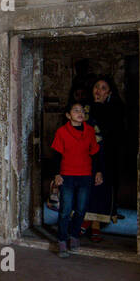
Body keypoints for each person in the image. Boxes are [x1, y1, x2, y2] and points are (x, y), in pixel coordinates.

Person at [50, 101, 102, 258]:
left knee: (81, 209)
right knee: (65, 210)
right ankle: (62, 240)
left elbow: (95, 153)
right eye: (76, 110)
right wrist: (57, 174)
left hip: (85, 175)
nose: (80, 113)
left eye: (82, 111)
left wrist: (98, 172)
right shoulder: (62, 132)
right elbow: (56, 155)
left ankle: (74, 236)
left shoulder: (90, 131)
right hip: (67, 176)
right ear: (68, 115)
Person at [83, 77, 126, 242]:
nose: (98, 91)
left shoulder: (115, 109)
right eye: (96, 86)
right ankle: (86, 219)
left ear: (109, 92)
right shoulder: (85, 108)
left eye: (103, 88)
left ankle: (96, 224)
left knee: (102, 186)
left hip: (106, 155)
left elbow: (116, 134)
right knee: (86, 186)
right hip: (86, 154)